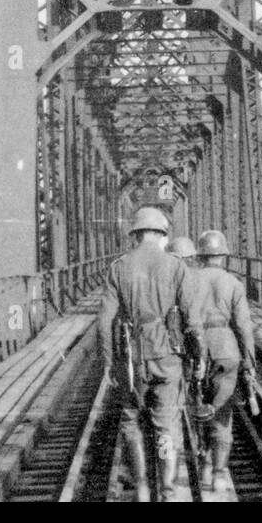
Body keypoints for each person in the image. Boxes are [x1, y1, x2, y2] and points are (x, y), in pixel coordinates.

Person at [96, 206, 201, 501]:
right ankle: (168, 490)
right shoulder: (176, 266)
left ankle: (142, 486)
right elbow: (193, 321)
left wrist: (108, 362)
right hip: (168, 356)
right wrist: (198, 358)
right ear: (162, 235)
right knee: (166, 423)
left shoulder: (119, 267)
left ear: (136, 234)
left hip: (132, 360)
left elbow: (104, 322)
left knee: (131, 421)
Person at [184, 229, 255, 492]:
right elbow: (244, 326)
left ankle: (203, 461)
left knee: (198, 406)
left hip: (196, 348)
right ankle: (218, 474)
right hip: (226, 348)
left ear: (200, 255)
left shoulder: (189, 279)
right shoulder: (234, 284)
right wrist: (249, 361)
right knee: (222, 412)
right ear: (223, 256)